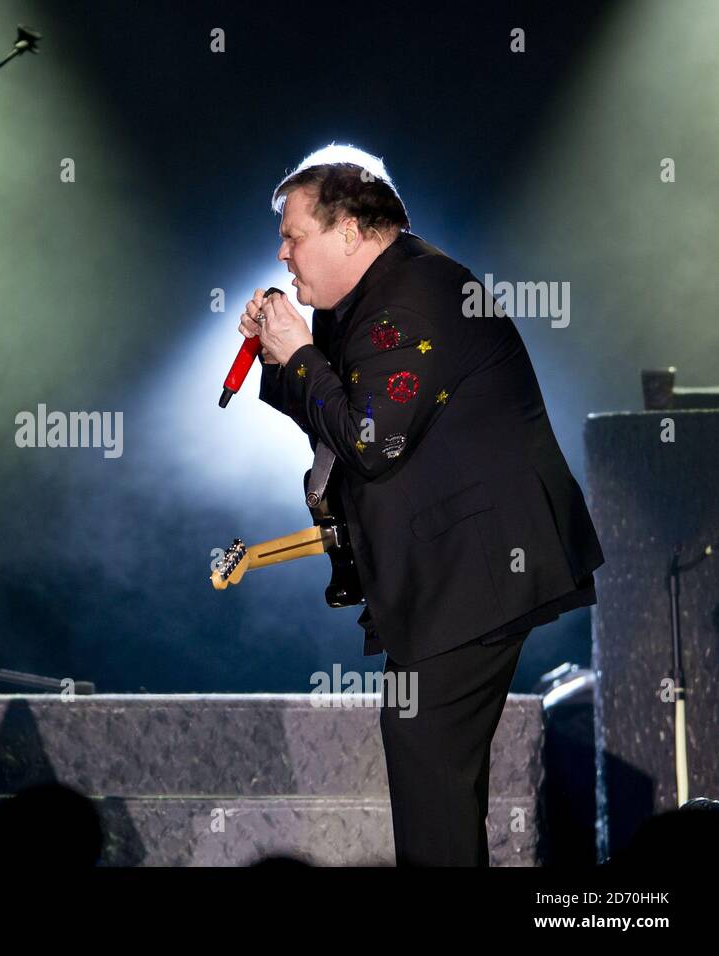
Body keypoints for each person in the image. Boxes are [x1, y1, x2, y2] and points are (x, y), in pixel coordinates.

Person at [240, 145, 604, 866]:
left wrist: (298, 353)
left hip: (474, 572)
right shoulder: (376, 300)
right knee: (426, 759)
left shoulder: (413, 298)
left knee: (430, 763)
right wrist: (287, 361)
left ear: (350, 231)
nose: (281, 253)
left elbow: (370, 443)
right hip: (452, 572)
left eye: (293, 234)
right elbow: (344, 416)